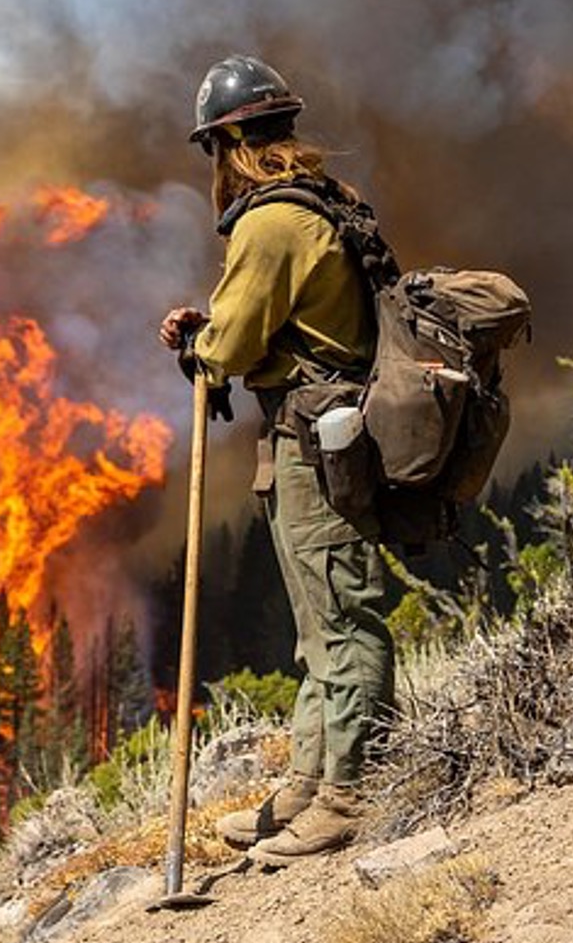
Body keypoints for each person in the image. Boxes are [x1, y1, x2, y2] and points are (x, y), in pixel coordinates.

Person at [158, 56, 396, 865]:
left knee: (340, 612)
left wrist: (200, 342)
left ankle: (352, 793)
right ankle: (307, 781)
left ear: (227, 146)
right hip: (320, 433)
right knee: (317, 623)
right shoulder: (327, 201)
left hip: (316, 442)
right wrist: (215, 332)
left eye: (212, 153)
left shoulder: (268, 223)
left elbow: (229, 345)